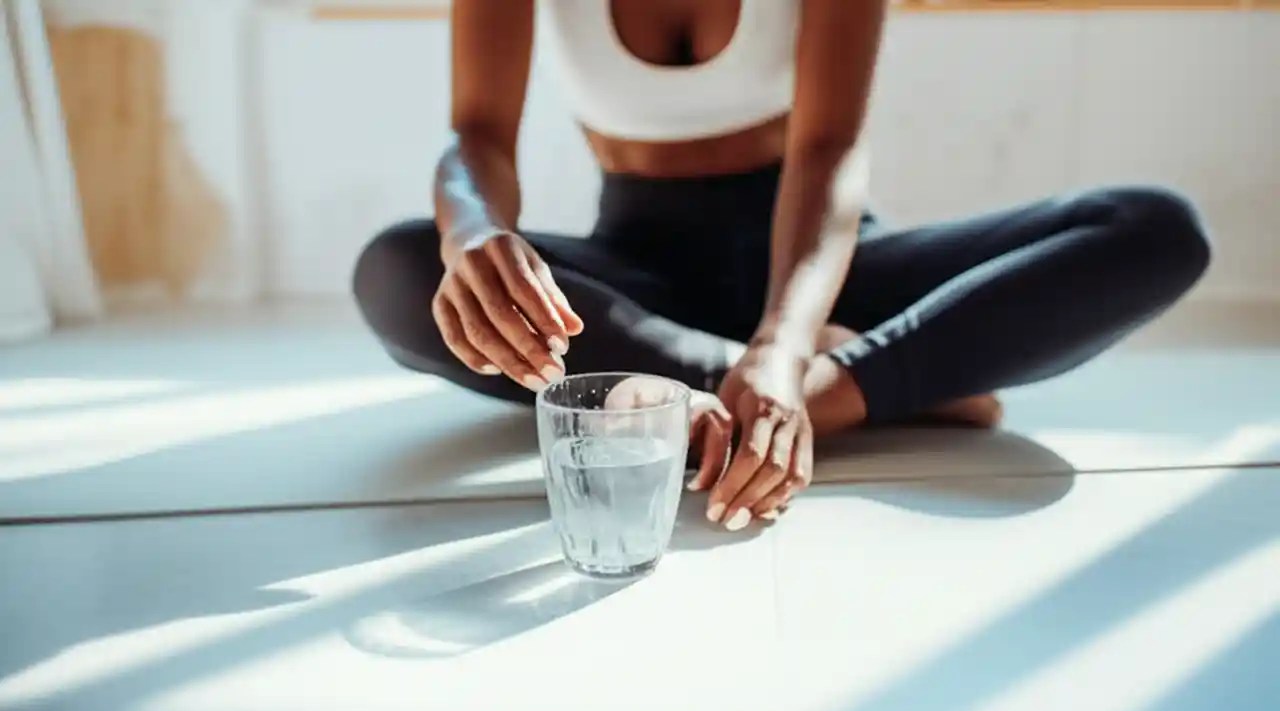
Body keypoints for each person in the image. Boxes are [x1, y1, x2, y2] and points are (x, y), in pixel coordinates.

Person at [353, 0, 1210, 532]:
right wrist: (472, 234)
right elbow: (478, 136)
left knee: (1152, 228)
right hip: (638, 271)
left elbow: (829, 149)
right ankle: (874, 383)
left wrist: (783, 344)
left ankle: (754, 401)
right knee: (399, 268)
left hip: (819, 263)